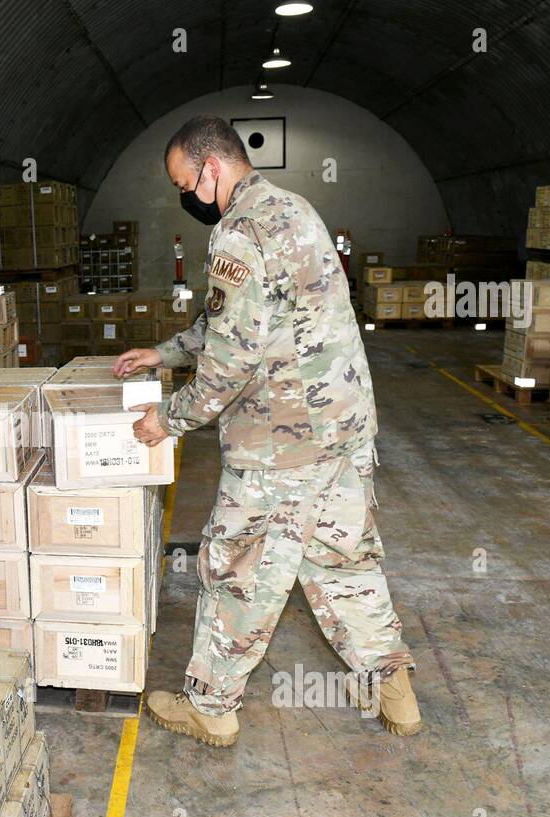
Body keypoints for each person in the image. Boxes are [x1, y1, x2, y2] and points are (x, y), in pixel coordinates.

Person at [114, 114, 421, 747]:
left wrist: (166, 420)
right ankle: (395, 689)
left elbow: (232, 358)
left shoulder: (238, 233)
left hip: (283, 439)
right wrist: (166, 353)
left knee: (237, 567)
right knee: (343, 559)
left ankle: (212, 707)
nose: (185, 198)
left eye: (184, 184)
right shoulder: (293, 208)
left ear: (212, 169)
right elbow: (244, 319)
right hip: (342, 428)